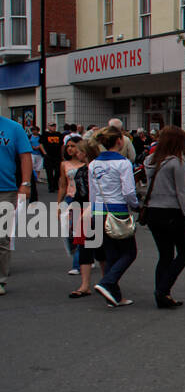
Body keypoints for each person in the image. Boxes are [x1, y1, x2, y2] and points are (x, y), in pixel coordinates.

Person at [143, 126, 185, 309]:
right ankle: (163, 289)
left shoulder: (149, 160)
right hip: (172, 213)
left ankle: (162, 294)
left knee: (165, 255)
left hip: (153, 212)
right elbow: (182, 193)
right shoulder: (177, 163)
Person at [88, 125, 139, 307]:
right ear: (119, 141)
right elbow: (128, 192)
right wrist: (135, 206)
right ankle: (107, 283)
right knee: (129, 252)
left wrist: (93, 212)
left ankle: (114, 296)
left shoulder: (93, 164)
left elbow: (92, 192)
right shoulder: (123, 163)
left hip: (99, 209)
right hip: (118, 209)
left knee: (111, 254)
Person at [0, 113, 33, 296]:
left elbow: (25, 156)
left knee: (2, 236)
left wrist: (25, 183)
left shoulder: (13, 128)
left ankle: (0, 280)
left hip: (5, 189)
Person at [68, 137, 103, 299]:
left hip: (94, 209)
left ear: (85, 152)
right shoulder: (82, 170)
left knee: (100, 248)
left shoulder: (96, 169)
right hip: (83, 209)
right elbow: (78, 193)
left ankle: (105, 281)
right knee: (86, 248)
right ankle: (87, 284)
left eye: (79, 150)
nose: (76, 153)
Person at [58, 139, 85, 275]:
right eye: (68, 146)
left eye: (73, 146)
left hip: (83, 199)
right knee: (68, 231)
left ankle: (78, 264)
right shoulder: (64, 164)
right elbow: (63, 185)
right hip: (70, 198)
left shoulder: (87, 163)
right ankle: (82, 256)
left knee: (79, 231)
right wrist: (58, 204)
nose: (69, 149)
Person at [41, 123, 64, 195]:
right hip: (48, 156)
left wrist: (62, 154)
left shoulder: (59, 134)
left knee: (58, 171)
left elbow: (62, 145)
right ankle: (51, 187)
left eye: (54, 126)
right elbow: (41, 144)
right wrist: (44, 153)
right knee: (49, 172)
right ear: (48, 127)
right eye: (51, 126)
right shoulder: (45, 135)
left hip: (57, 156)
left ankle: (55, 184)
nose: (53, 127)